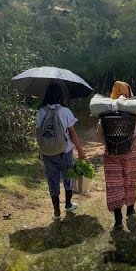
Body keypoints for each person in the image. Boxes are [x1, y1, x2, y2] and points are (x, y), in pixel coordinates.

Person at [98, 80, 136, 230]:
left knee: (114, 185)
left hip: (112, 153)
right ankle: (130, 209)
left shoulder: (107, 108)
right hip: (133, 152)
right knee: (130, 181)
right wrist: (131, 144)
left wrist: (111, 146)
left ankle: (118, 219)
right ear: (129, 92)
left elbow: (98, 135)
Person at [35, 83, 84, 220]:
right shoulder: (65, 111)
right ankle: (68, 204)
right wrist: (80, 150)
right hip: (65, 151)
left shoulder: (41, 112)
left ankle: (56, 212)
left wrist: (42, 149)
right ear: (60, 95)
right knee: (68, 176)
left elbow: (39, 133)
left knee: (52, 180)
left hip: (47, 153)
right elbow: (72, 133)